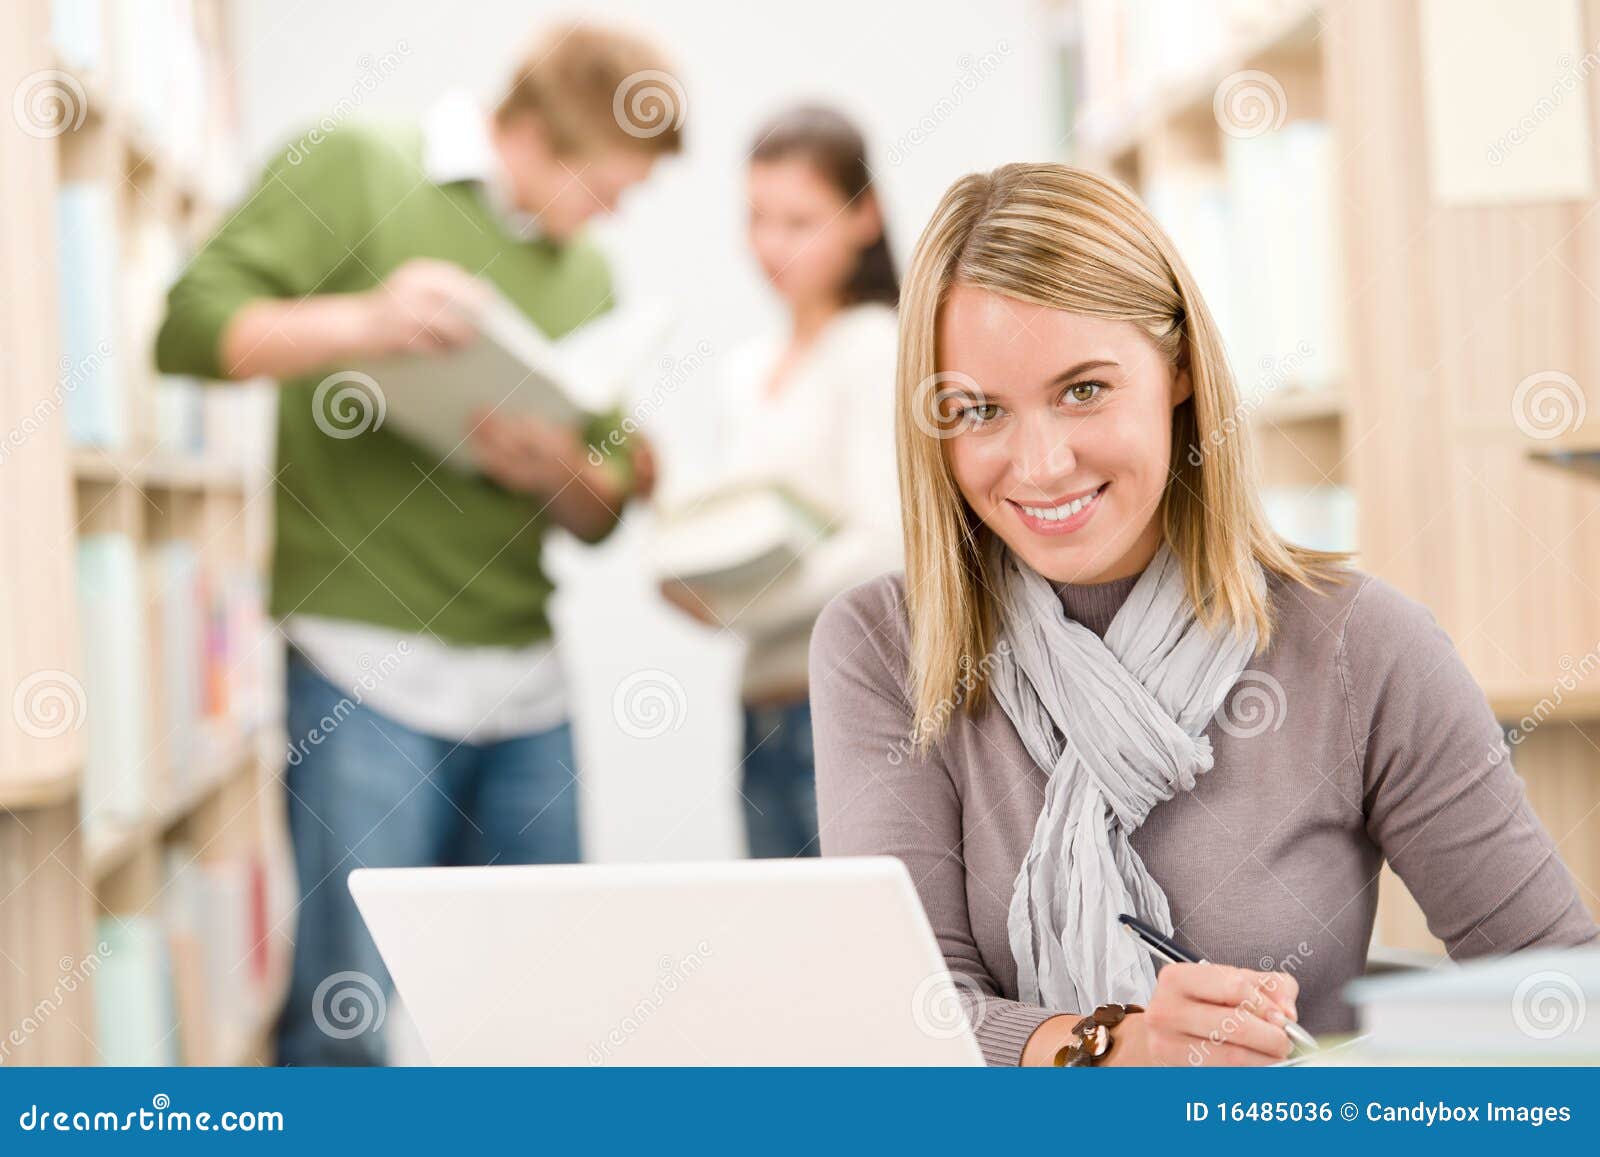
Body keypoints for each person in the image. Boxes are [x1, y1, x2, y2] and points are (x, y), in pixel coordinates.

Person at [809, 163, 1599, 1066]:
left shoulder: (1362, 648)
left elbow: (1556, 999)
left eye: (1083, 390)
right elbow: (899, 1020)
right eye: (979, 411)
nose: (1039, 464)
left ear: (1178, 368)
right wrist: (1122, 1050)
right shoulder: (882, 645)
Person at [155, 23, 681, 1065]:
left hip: (526, 683)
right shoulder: (355, 162)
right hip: (365, 671)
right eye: (605, 185)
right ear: (536, 133)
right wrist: (368, 320)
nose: (613, 215)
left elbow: (608, 489)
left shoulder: (589, 279)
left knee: (547, 1017)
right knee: (343, 1014)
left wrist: (564, 472)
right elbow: (188, 328)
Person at [659, 106, 900, 859]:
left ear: (865, 216)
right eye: (758, 218)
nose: (771, 245)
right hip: (759, 707)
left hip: (845, 707)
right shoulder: (746, 370)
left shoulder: (874, 348)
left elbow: (884, 550)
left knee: (858, 953)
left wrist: (734, 606)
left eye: (799, 221)